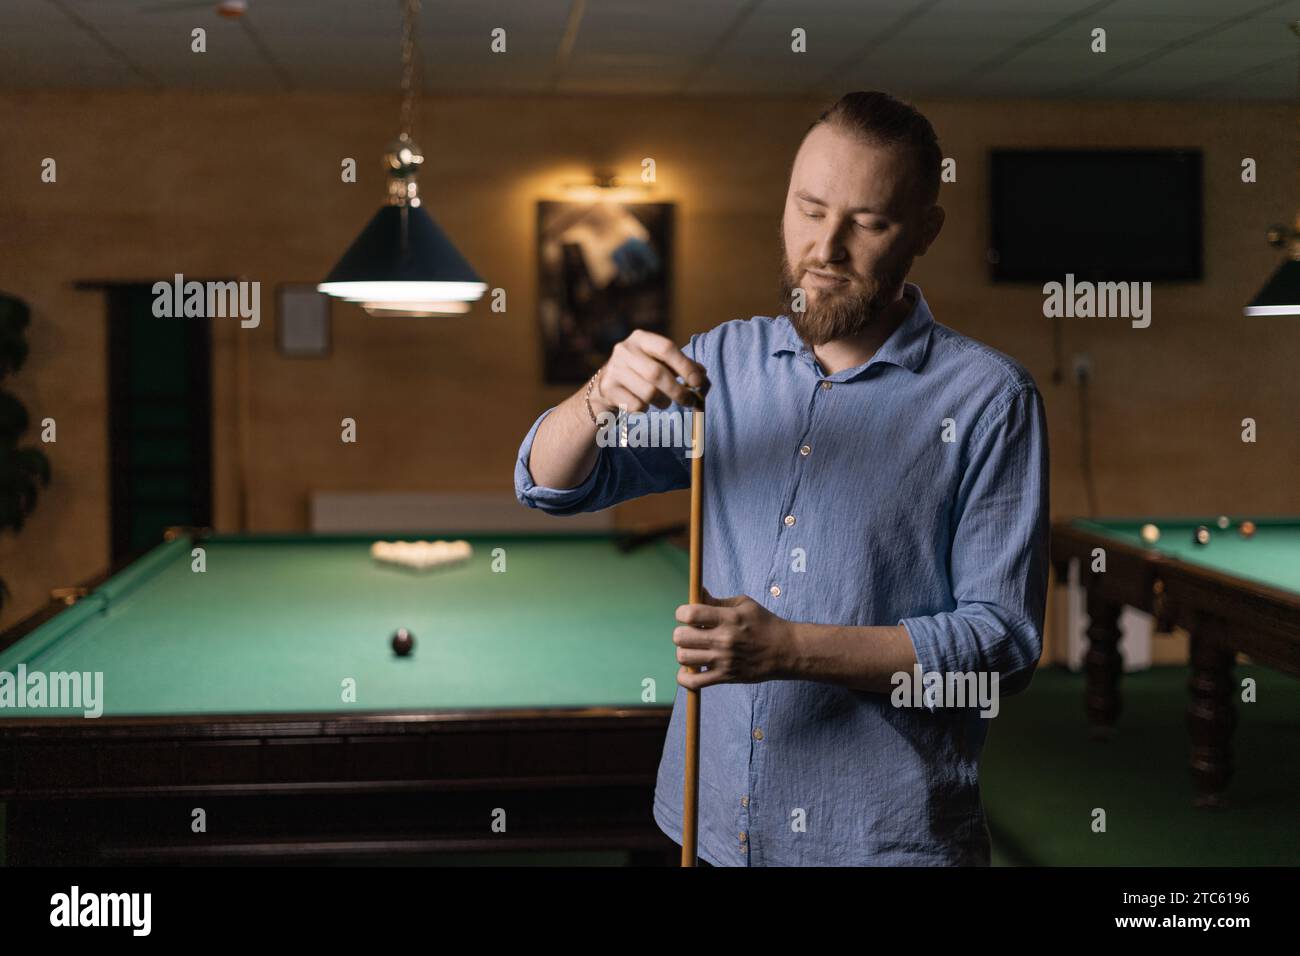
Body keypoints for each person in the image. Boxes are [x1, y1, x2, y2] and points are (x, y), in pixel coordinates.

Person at [515, 91, 1049, 866]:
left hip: (879, 844)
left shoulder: (992, 399)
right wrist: (599, 392)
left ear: (924, 232)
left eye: (868, 223)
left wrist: (789, 649)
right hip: (706, 824)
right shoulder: (720, 365)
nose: (825, 247)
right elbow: (551, 483)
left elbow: (1002, 646)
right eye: (809, 209)